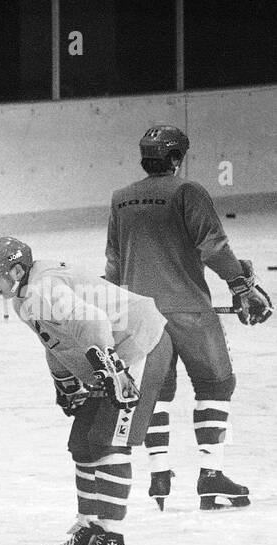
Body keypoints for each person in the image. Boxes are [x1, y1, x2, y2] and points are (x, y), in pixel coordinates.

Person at [0, 237, 173, 545]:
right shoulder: (28, 294)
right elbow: (54, 339)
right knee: (83, 443)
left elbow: (93, 322)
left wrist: (110, 369)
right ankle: (89, 530)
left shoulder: (42, 289)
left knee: (110, 442)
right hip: (114, 354)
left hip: (140, 348)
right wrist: (63, 379)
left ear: (17, 270)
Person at [106, 123, 271, 510]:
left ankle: (159, 474)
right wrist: (241, 284)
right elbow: (213, 247)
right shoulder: (187, 191)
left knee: (157, 391)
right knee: (216, 384)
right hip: (189, 311)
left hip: (138, 315)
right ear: (177, 158)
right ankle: (210, 477)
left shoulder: (120, 198)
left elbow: (113, 264)